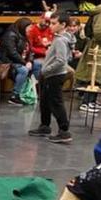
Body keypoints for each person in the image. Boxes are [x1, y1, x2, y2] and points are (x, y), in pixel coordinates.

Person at [28, 12, 73, 144]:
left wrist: (46, 69)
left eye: (54, 24)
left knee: (56, 102)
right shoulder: (58, 38)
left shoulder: (60, 40)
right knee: (45, 101)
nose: (51, 26)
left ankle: (64, 131)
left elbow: (61, 60)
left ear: (63, 25)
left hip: (54, 75)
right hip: (49, 74)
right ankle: (45, 126)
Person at [0, 17, 32, 106]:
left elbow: (30, 51)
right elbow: (12, 53)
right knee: (23, 70)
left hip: (18, 61)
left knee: (37, 65)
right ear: (23, 26)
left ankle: (28, 92)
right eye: (29, 27)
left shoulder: (25, 35)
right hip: (6, 61)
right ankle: (15, 96)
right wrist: (25, 63)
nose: (30, 29)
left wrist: (30, 61)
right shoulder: (10, 35)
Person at [26, 13, 54, 80]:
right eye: (46, 21)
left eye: (49, 22)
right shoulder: (32, 30)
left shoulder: (50, 29)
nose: (47, 24)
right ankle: (36, 86)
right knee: (38, 64)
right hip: (35, 57)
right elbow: (29, 47)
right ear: (41, 18)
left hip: (49, 57)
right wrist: (43, 52)